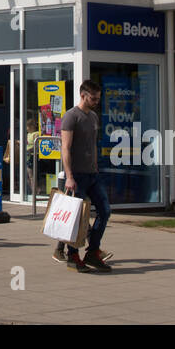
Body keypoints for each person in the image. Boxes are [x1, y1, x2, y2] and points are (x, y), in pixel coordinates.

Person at [58, 80, 112, 273]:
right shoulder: (71, 117)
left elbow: (92, 145)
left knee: (105, 211)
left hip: (92, 174)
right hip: (76, 175)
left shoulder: (93, 117)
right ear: (83, 95)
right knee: (78, 217)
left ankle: (93, 252)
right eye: (93, 98)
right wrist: (69, 176)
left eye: (98, 98)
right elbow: (66, 148)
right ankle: (72, 255)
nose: (96, 101)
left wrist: (95, 166)